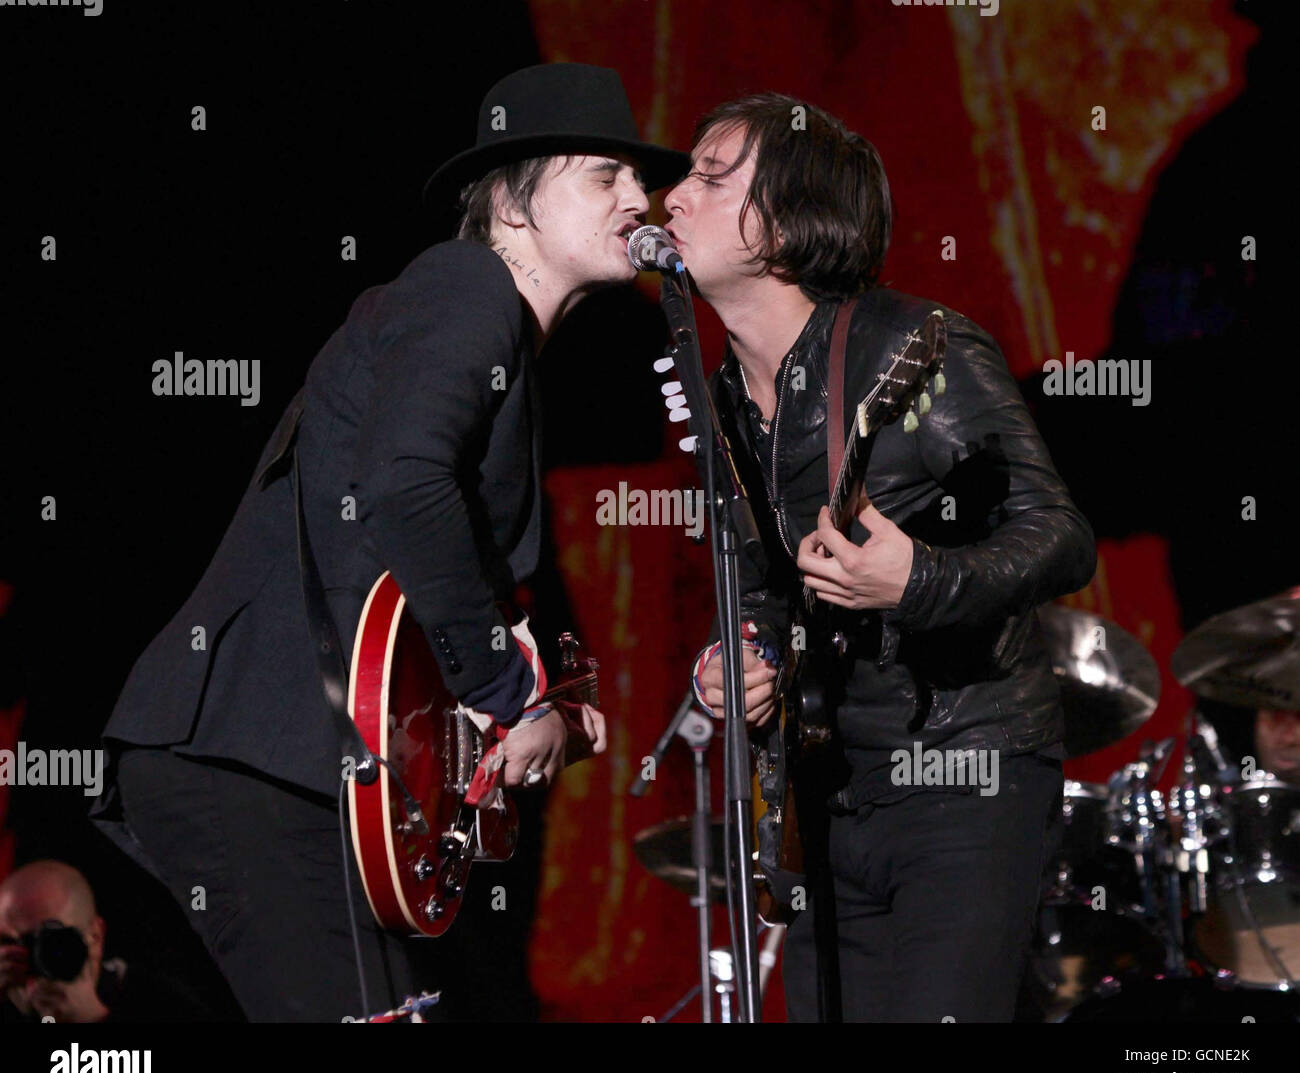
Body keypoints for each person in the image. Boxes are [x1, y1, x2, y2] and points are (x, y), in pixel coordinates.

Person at [89, 63, 688, 1022]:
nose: (637, 198)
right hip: (258, 764)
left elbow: (398, 580)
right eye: (602, 176)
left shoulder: (489, 336)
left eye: (637, 179)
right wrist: (509, 694)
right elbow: (406, 486)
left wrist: (517, 724)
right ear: (512, 203)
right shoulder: (465, 287)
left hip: (308, 778)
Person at [666, 94, 1095, 1021]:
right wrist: (745, 657)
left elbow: (1060, 534)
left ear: (785, 222)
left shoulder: (912, 344)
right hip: (831, 791)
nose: (672, 197)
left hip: (966, 771)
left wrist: (919, 580)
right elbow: (773, 583)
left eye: (709, 176)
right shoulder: (726, 396)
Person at [0, 859, 211, 1022]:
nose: (29, 956)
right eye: (8, 943)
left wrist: (91, 1017)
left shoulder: (161, 1005)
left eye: (47, 941)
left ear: (94, 937)